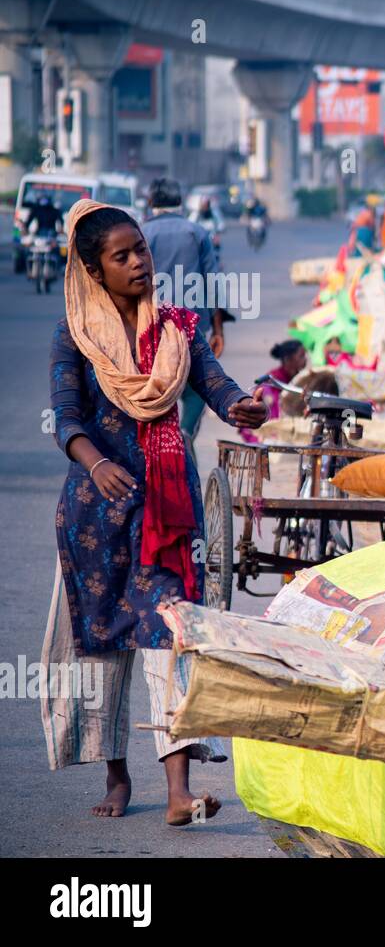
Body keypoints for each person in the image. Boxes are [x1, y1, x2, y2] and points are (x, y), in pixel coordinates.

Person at [45, 200, 268, 823]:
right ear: (94, 271)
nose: (140, 262)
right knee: (104, 644)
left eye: (140, 249)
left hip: (166, 514)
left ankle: (178, 791)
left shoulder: (175, 326)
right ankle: (117, 778)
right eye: (123, 256)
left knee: (170, 637)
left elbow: (212, 379)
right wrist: (95, 462)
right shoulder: (76, 336)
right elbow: (66, 418)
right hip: (97, 510)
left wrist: (240, 405)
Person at [141, 178, 225, 442]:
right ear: (180, 202)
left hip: (148, 328)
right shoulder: (197, 232)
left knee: (154, 388)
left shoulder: (139, 233)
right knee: (198, 386)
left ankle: (164, 440)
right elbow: (213, 282)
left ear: (151, 202)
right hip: (192, 327)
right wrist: (218, 329)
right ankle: (185, 432)